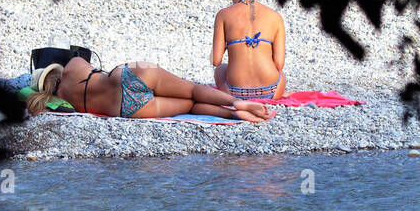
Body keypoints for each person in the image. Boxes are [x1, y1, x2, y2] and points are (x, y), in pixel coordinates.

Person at [26, 57, 275, 122]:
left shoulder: (67, 106)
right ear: (54, 73)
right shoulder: (72, 66)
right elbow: (92, 65)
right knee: (192, 90)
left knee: (188, 106)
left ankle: (236, 115)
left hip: (125, 108)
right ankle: (236, 102)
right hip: (128, 75)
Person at [210, 0, 287, 100]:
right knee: (281, 74)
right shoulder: (275, 17)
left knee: (220, 69)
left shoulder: (223, 15)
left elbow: (216, 61)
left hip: (235, 93)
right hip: (271, 90)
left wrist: (227, 45)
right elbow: (279, 64)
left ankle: (234, 97)